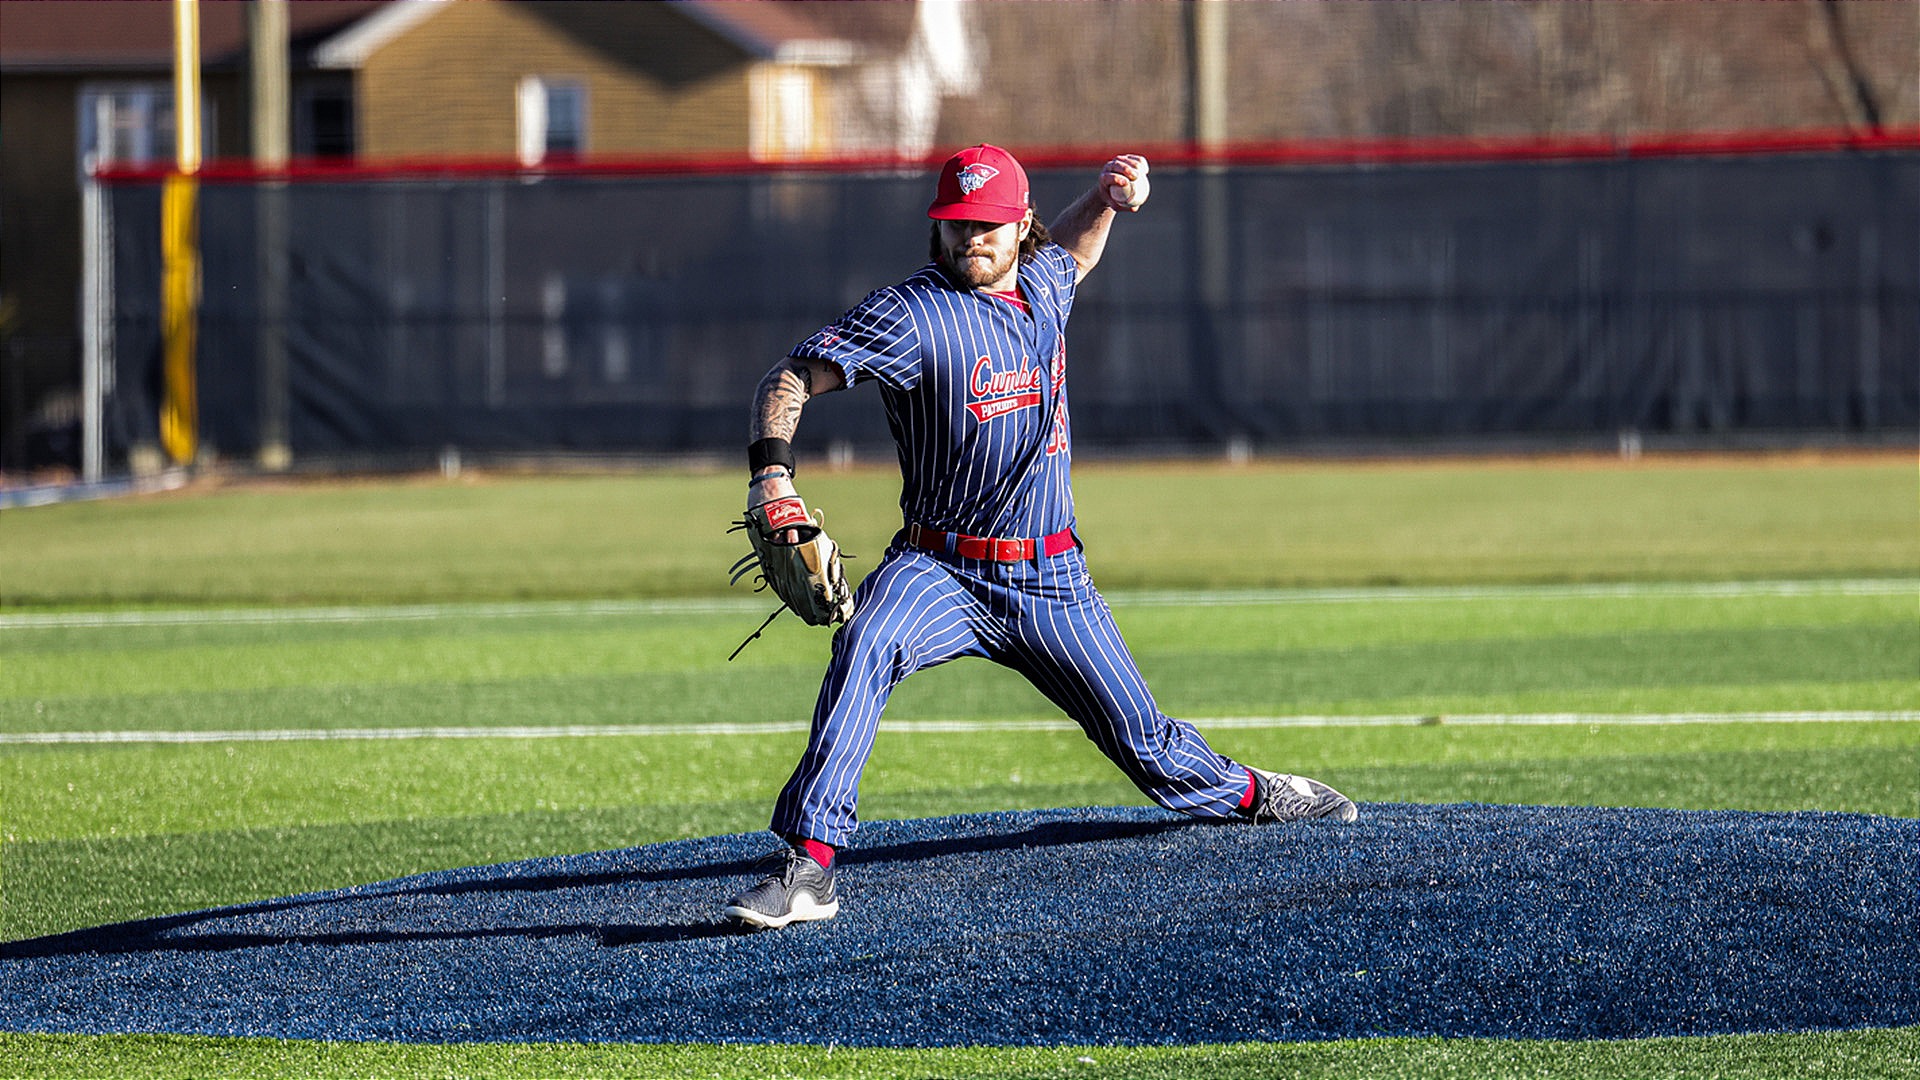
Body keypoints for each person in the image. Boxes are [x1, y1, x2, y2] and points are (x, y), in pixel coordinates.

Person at [724, 145, 1356, 930]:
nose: (970, 240)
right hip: (940, 567)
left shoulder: (1045, 279)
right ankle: (808, 866)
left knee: (1148, 748)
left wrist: (1104, 200)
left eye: (988, 225)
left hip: (1053, 580)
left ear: (1021, 226)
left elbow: (1074, 253)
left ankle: (1260, 792)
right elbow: (787, 378)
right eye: (956, 224)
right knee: (866, 645)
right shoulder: (910, 314)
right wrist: (772, 478)